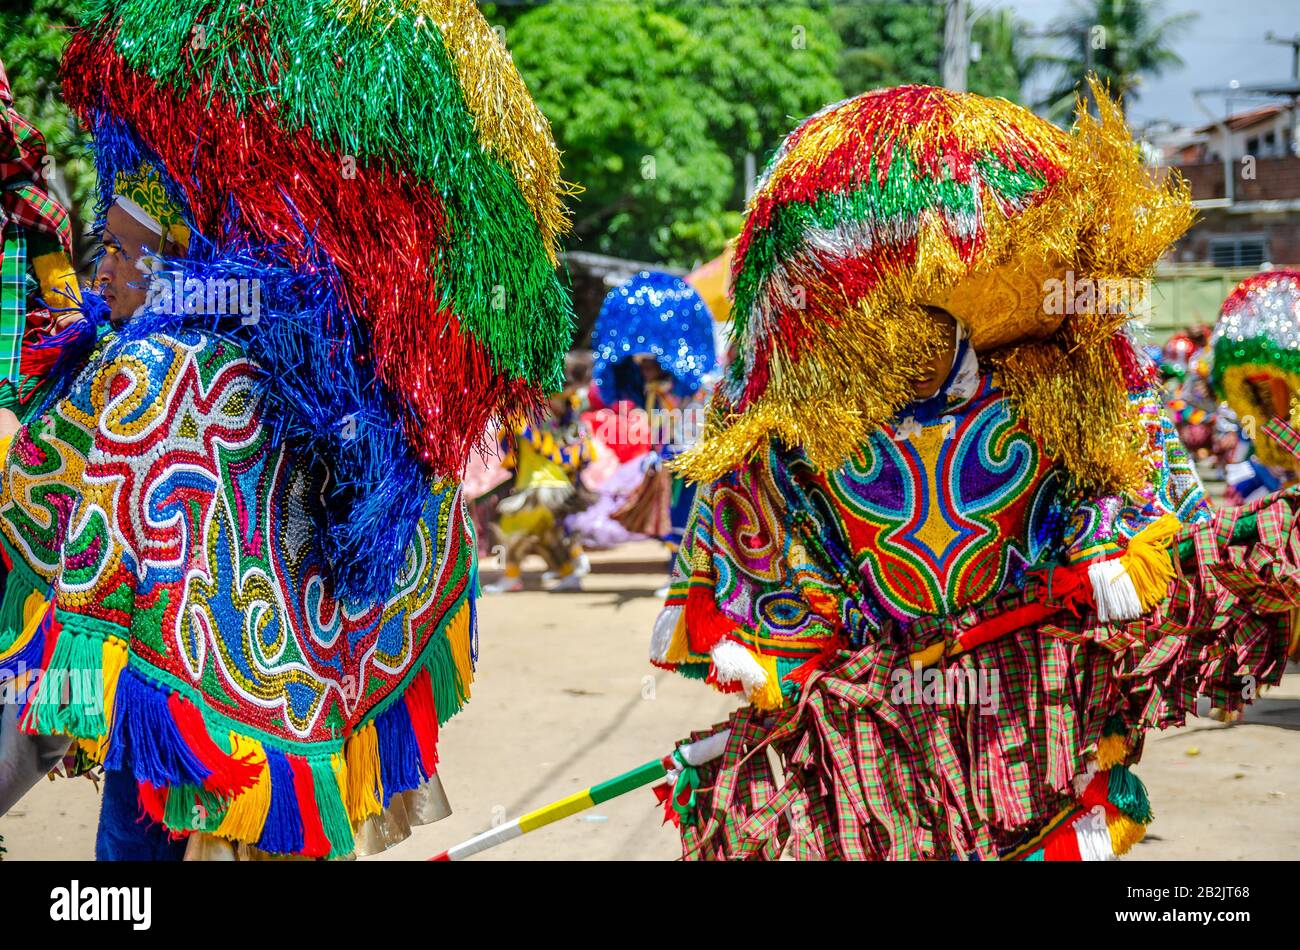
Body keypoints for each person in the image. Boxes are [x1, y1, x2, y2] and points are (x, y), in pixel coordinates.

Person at [651, 82, 1296, 861]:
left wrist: (1097, 560)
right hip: (880, 697)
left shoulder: (1062, 380)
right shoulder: (799, 415)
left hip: (1029, 686)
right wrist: (786, 674)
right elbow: (764, 534)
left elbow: (1132, 499)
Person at [0, 0, 573, 860]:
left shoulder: (168, 369)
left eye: (120, 249)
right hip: (269, 730)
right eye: (99, 247)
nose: (100, 269)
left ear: (173, 262)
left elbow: (77, 587)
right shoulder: (281, 363)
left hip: (197, 724)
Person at [485, 356, 597, 594]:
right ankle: (569, 571)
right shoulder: (539, 407)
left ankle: (512, 576)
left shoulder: (540, 409)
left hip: (542, 483)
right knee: (547, 533)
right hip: (541, 480)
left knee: (511, 526)